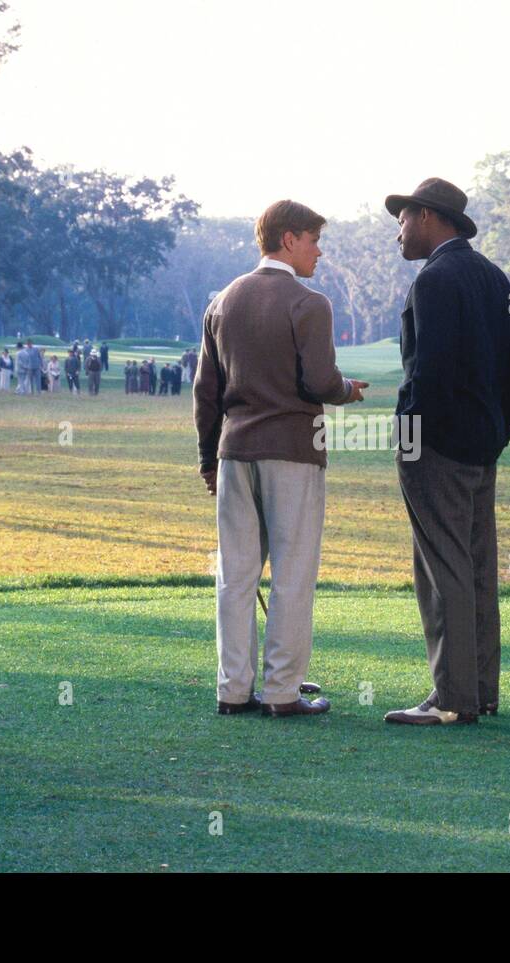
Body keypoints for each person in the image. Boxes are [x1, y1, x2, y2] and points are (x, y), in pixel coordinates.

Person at [193, 199, 368, 718]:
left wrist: (208, 460)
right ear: (289, 239)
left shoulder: (221, 301)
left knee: (236, 575)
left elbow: (206, 392)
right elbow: (318, 382)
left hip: (234, 452)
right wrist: (348, 391)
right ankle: (282, 691)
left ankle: (233, 688)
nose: (319, 252)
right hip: (294, 451)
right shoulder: (309, 303)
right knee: (292, 574)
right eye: (314, 240)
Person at [381, 178, 510, 726]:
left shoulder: (434, 280)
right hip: (480, 447)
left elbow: (429, 374)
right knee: (476, 568)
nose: (397, 231)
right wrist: (499, 428)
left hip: (434, 447)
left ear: (427, 217)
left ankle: (450, 698)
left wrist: (408, 437)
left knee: (441, 567)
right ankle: (480, 693)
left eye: (402, 219)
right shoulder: (494, 277)